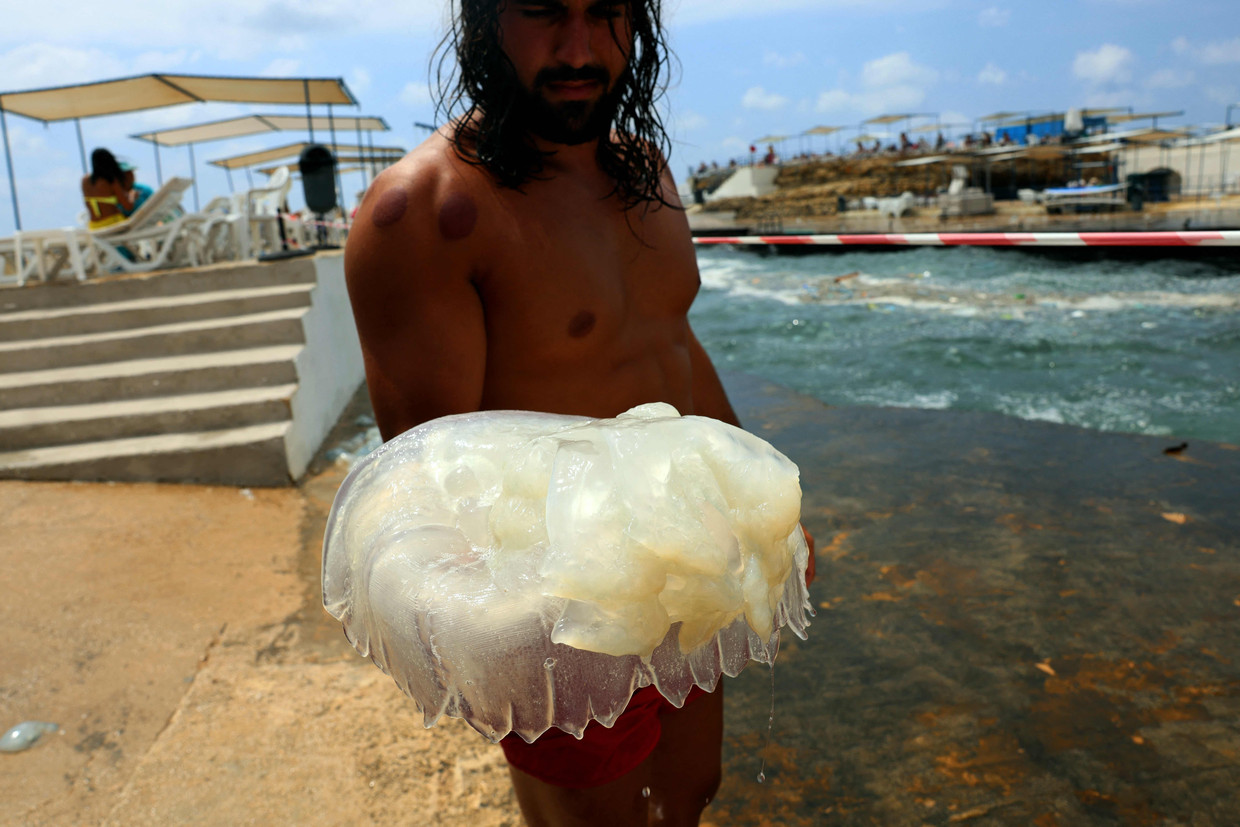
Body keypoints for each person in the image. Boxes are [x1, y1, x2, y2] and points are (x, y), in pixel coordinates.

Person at [343, 1, 815, 824]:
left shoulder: (645, 171)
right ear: (484, 22)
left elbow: (673, 345)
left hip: (686, 559)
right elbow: (424, 473)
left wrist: (771, 514)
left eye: (605, 13)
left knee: (688, 791)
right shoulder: (427, 211)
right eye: (543, 12)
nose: (578, 48)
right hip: (557, 607)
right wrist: (511, 664)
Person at [81, 148, 135, 230]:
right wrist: (132, 194)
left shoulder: (84, 181)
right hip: (114, 224)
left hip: (94, 226)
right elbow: (128, 206)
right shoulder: (110, 180)